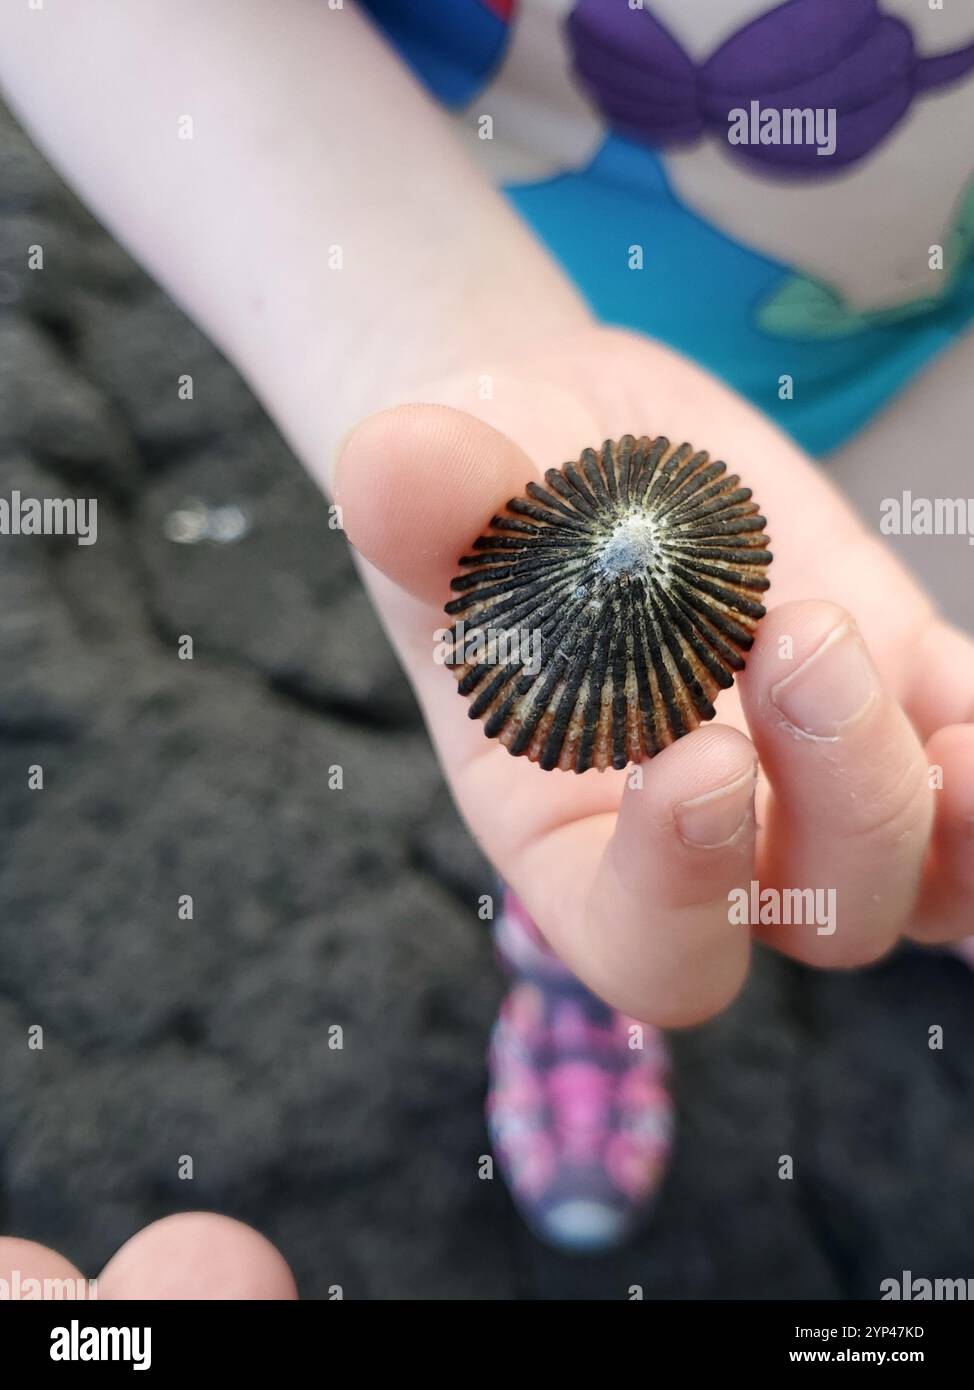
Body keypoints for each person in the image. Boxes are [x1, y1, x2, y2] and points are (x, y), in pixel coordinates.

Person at [2, 0, 974, 1279]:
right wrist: (445, 327)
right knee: (630, 787)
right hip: (460, 234)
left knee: (913, 714)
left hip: (932, 329)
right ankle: (577, 960)